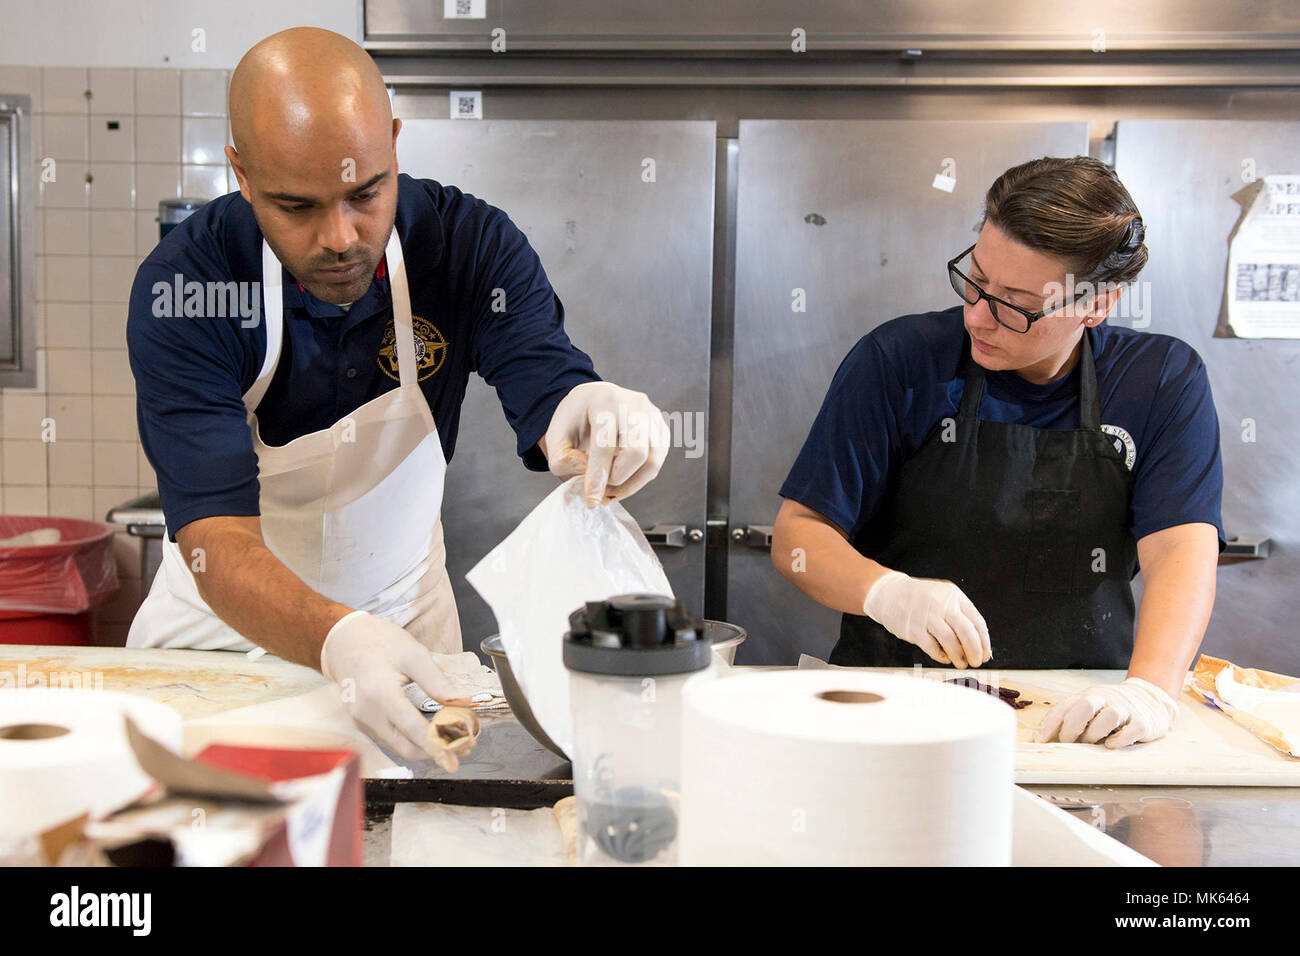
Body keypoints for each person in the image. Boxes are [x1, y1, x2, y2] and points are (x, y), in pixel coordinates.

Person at [125, 28, 669, 760]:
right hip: (222, 641)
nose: (341, 237)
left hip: (403, 629)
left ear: (394, 143)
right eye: (297, 207)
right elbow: (215, 538)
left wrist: (589, 407)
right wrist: (334, 637)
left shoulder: (468, 247)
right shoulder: (191, 286)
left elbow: (548, 379)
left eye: (365, 192)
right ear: (241, 175)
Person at [771, 156, 1223, 748]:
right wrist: (886, 592)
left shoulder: (1160, 380)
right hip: (896, 709)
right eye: (976, 279)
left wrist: (1150, 691)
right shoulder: (900, 361)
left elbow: (1180, 552)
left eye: (1016, 304)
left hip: (1080, 715)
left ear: (1096, 305)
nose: (978, 317)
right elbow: (799, 535)